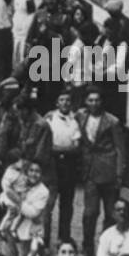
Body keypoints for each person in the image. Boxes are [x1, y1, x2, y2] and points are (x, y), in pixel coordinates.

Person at [78, 88, 126, 256]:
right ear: (85, 102)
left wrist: (119, 174)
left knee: (110, 213)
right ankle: (87, 247)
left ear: (102, 102)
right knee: (89, 213)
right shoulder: (81, 117)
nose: (93, 104)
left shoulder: (112, 122)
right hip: (90, 171)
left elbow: (120, 149)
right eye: (90, 100)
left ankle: (106, 249)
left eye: (97, 100)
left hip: (109, 171)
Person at [0, 159, 50, 256]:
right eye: (31, 170)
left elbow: (32, 213)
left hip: (28, 233)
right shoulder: (20, 182)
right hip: (11, 230)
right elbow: (3, 195)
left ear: (42, 174)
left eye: (37, 171)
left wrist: (17, 201)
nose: (33, 174)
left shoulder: (43, 191)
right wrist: (5, 202)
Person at [43, 87, 82, 247]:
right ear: (57, 103)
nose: (65, 103)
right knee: (47, 203)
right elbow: (46, 146)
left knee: (67, 204)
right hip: (52, 165)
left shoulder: (74, 120)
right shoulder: (49, 119)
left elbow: (77, 147)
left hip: (69, 167)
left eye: (67, 100)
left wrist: (58, 148)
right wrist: (61, 149)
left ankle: (64, 237)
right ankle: (44, 241)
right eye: (62, 100)